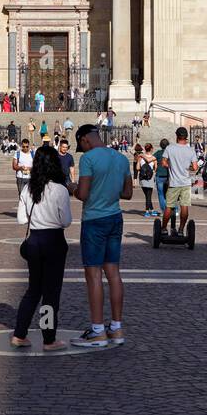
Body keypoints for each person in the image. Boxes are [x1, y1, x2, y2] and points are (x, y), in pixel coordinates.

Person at [72, 123, 133, 347]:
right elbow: (127, 193)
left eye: (82, 145)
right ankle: (116, 329)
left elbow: (84, 194)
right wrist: (109, 189)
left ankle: (98, 330)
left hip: (94, 220)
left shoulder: (88, 159)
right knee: (114, 273)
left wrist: (72, 188)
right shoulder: (122, 159)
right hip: (115, 217)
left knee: (94, 274)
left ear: (84, 140)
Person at [12, 145, 73, 351]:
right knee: (50, 293)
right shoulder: (60, 189)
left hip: (34, 241)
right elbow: (66, 221)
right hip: (54, 241)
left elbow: (21, 219)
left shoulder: (28, 188)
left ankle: (19, 334)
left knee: (33, 290)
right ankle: (48, 339)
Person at [161, 127, 199, 237]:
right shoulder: (190, 150)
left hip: (174, 182)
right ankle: (181, 230)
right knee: (184, 206)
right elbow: (195, 167)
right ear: (186, 137)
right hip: (186, 182)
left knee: (169, 206)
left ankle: (163, 228)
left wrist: (172, 166)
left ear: (176, 136)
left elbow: (163, 163)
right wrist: (187, 168)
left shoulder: (170, 148)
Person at [137, 143, 157, 217]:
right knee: (148, 195)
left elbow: (137, 168)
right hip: (150, 177)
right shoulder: (154, 158)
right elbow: (155, 168)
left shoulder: (140, 157)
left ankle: (151, 209)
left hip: (142, 177)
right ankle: (147, 211)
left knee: (147, 195)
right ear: (151, 149)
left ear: (145, 149)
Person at [154, 137, 170, 214]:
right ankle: (172, 209)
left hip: (159, 175)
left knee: (160, 194)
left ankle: (164, 210)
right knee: (169, 193)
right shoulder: (170, 153)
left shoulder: (158, 153)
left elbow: (152, 158)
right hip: (168, 175)